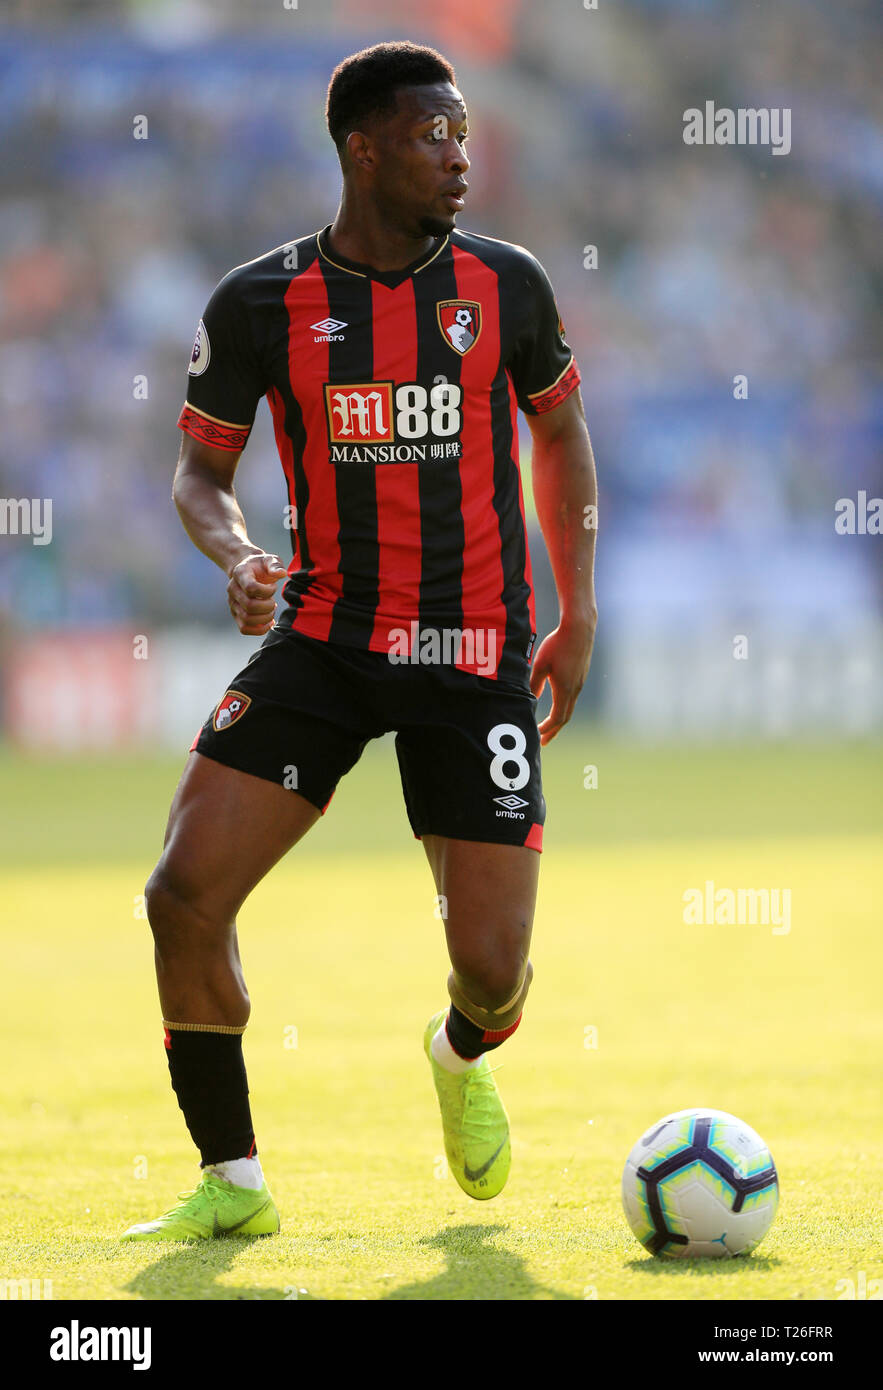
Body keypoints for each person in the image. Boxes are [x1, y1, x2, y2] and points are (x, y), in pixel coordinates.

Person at [122, 40, 598, 1242]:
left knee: (492, 970)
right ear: (363, 148)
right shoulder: (259, 303)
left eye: (465, 137)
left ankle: (456, 1052)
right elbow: (199, 469)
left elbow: (561, 439)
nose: (459, 158)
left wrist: (575, 609)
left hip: (473, 650)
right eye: (435, 136)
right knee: (183, 892)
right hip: (327, 639)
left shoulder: (508, 285)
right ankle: (232, 1185)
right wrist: (235, 554)